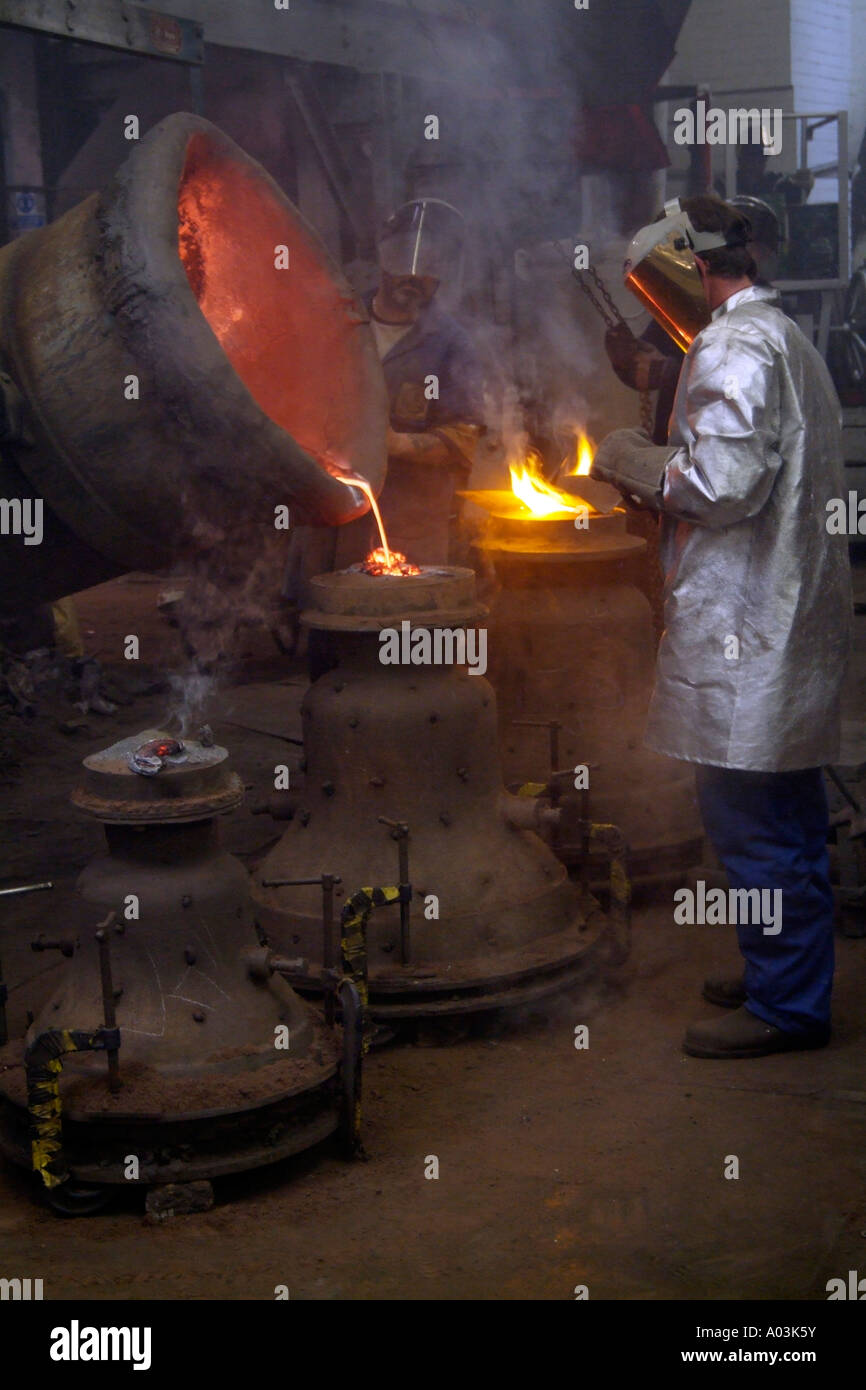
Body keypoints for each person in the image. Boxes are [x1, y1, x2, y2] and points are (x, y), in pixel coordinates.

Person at [590, 194, 852, 1059]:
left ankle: (785, 1006)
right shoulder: (785, 336)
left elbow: (724, 485)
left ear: (693, 267)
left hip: (750, 629)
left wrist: (638, 466)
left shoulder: (735, 343)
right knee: (788, 816)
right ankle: (786, 969)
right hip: (787, 621)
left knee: (750, 819)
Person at [282, 198, 484, 619]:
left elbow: (463, 441)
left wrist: (390, 444)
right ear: (383, 259)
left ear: (445, 273)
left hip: (408, 519)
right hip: (330, 512)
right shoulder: (338, 321)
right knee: (329, 624)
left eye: (429, 264)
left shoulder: (452, 345)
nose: (412, 274)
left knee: (402, 627)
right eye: (403, 259)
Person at [603, 196, 781, 445]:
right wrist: (628, 356)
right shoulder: (713, 315)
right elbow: (644, 366)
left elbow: (727, 470)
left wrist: (637, 464)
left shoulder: (743, 340)